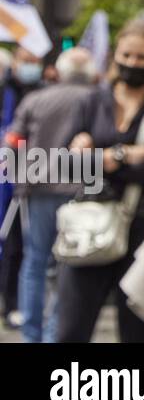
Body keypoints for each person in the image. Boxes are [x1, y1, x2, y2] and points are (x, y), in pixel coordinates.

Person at [54, 21, 144, 342]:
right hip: (90, 226)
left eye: (142, 57)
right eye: (127, 55)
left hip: (143, 229)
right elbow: (64, 163)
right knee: (70, 329)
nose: (133, 63)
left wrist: (95, 156)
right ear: (115, 56)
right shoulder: (93, 101)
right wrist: (123, 155)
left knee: (135, 332)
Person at [6, 47, 97, 341]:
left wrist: (21, 179)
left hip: (39, 187)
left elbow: (13, 143)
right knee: (67, 267)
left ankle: (31, 334)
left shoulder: (36, 99)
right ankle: (52, 332)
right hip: (81, 189)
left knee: (35, 260)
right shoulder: (97, 100)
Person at [0, 44, 46, 328]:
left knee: (24, 246)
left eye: (35, 60)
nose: (31, 65)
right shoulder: (5, 91)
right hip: (6, 177)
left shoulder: (41, 91)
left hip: (30, 178)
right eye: (26, 60)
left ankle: (18, 305)